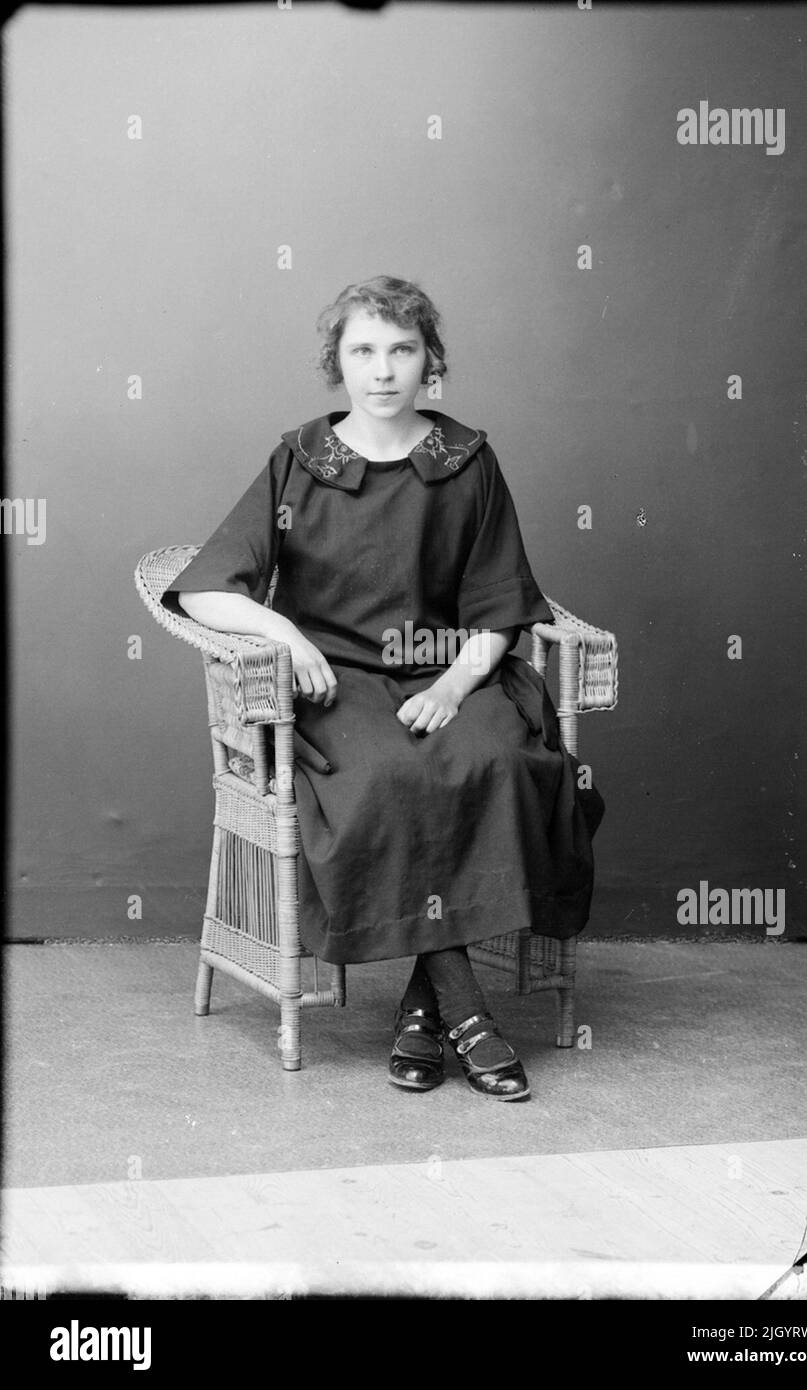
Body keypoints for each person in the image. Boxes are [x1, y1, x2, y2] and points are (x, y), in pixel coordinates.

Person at [160, 274, 604, 1102]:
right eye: (364, 350)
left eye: (402, 349)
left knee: (500, 762)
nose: (384, 369)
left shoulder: (466, 460)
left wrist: (456, 683)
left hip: (452, 668)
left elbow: (501, 602)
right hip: (339, 684)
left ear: (430, 360)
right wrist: (283, 632)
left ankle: (421, 1011)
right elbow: (203, 587)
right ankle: (469, 1015)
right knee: (385, 778)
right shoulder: (300, 460)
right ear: (338, 360)